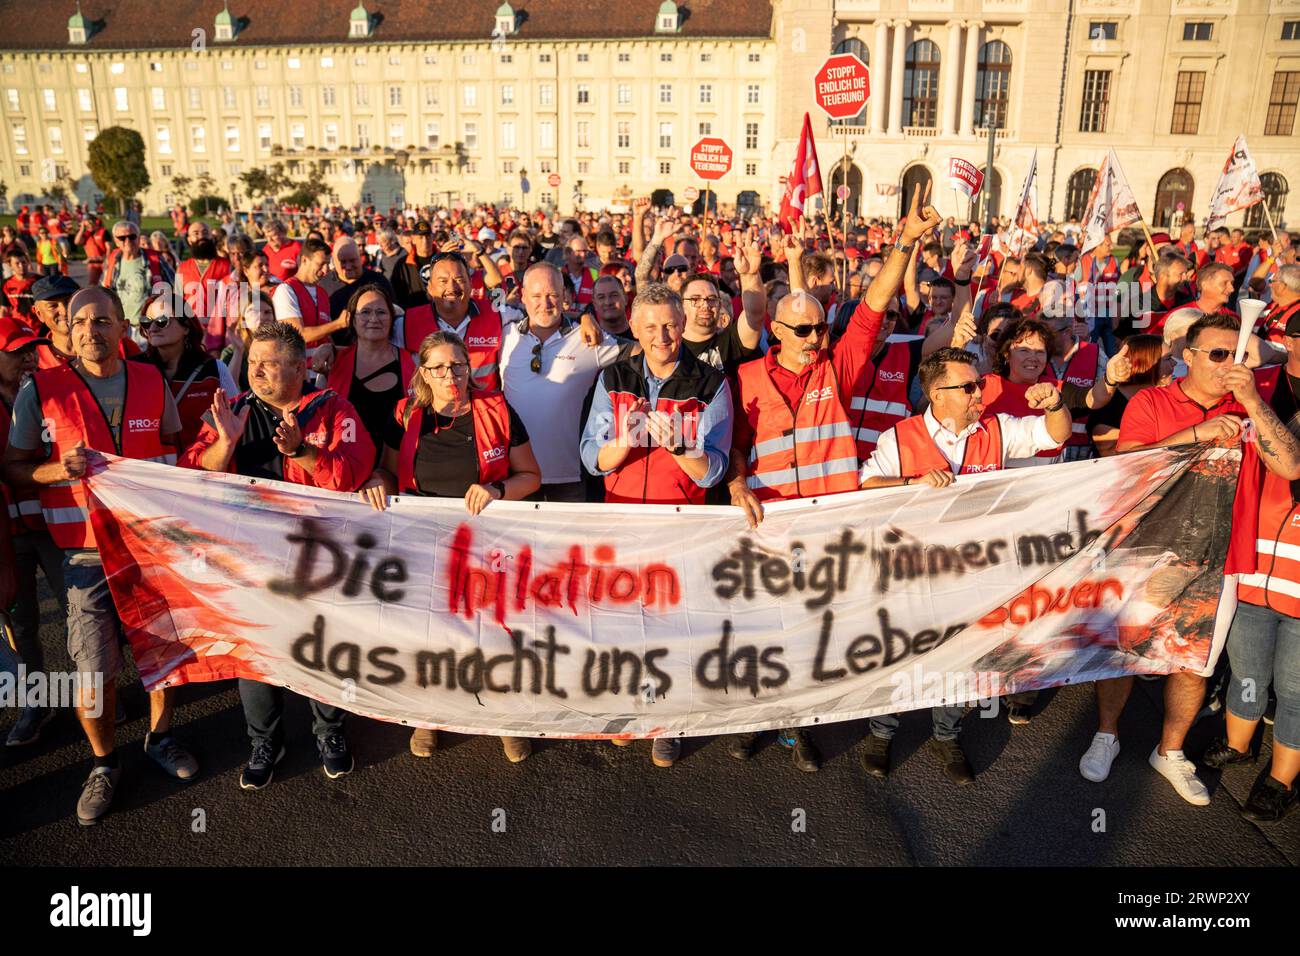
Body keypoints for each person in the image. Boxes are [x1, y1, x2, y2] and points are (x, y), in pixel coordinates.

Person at [724, 189, 941, 772]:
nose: (816, 340)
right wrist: (737, 484)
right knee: (768, 628)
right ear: (778, 330)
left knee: (820, 630)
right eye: (804, 332)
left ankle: (805, 722)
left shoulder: (837, 367)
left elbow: (872, 306)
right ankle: (764, 720)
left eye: (821, 330)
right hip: (770, 523)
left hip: (831, 525)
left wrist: (903, 244)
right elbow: (738, 448)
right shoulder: (745, 377)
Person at [2, 287, 196, 825]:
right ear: (68, 327)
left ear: (122, 327)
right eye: (81, 321)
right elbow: (15, 468)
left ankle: (161, 739)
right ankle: (104, 763)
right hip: (84, 557)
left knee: (163, 657)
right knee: (92, 672)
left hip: (149, 547)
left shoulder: (152, 379)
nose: (92, 330)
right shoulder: (40, 390)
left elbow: (173, 452)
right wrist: (52, 470)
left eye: (103, 320)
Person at [1083, 313, 1279, 804]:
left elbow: (1289, 463)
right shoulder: (1152, 400)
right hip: (1146, 549)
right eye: (1217, 354)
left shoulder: (1252, 406)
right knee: (1124, 651)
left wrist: (1253, 401)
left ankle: (1169, 750)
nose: (1228, 365)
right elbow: (1129, 466)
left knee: (1193, 660)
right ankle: (1107, 733)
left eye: (1237, 356)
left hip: (1219, 559)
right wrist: (1198, 434)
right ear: (1187, 356)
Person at [857, 347, 1072, 782]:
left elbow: (1055, 436)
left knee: (963, 654)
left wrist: (1057, 404)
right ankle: (883, 732)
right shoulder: (900, 435)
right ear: (937, 394)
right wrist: (911, 483)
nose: (980, 393)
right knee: (900, 653)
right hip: (910, 571)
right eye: (970, 387)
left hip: (974, 572)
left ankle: (946, 733)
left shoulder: (996, 428)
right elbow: (867, 485)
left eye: (979, 384)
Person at [180, 321, 375, 789]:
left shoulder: (333, 408)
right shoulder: (230, 412)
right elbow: (191, 476)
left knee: (322, 648)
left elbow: (355, 473)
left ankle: (330, 731)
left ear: (301, 367)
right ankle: (264, 741)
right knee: (256, 653)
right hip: (251, 561)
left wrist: (303, 452)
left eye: (271, 364)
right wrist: (223, 445)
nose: (259, 373)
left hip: (320, 560)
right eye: (253, 363)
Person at [359, 330, 541, 763]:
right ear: (423, 372)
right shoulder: (405, 414)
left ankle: (502, 718)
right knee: (432, 631)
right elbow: (386, 471)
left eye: (457, 365)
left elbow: (531, 476)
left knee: (491, 632)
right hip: (425, 543)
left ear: (468, 368)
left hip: (488, 543)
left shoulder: (496, 410)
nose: (450, 375)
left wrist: (497, 489)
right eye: (439, 367)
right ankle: (430, 714)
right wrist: (375, 482)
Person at [581, 282, 732, 768]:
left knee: (673, 630)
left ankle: (669, 721)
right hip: (622, 522)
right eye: (651, 328)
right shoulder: (612, 376)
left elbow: (716, 468)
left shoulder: (711, 382)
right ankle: (628, 709)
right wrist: (621, 446)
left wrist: (684, 451)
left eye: (670, 324)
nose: (663, 335)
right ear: (634, 328)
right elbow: (590, 457)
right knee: (623, 623)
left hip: (680, 527)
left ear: (683, 323)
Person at [1208, 307, 1300, 821]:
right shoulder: (1261, 380)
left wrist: (1251, 402)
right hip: (1255, 559)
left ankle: (1281, 780)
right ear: (1289, 339)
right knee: (1246, 668)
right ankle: (1239, 746)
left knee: (1295, 687)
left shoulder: (1255, 392)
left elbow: (1291, 462)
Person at [0, 315, 63, 746]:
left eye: (30, 349)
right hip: (6, 537)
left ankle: (98, 696)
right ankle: (38, 703)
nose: (28, 356)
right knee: (21, 626)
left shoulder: (47, 389)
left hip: (57, 525)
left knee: (82, 618)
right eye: (17, 351)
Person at [132, 293, 239, 450]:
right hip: (150, 468)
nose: (153, 328)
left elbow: (234, 417)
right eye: (146, 322)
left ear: (186, 327)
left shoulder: (213, 368)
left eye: (162, 321)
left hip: (201, 466)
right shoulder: (133, 368)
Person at [325, 283, 414, 462]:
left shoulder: (412, 363)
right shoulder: (333, 361)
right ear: (352, 319)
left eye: (381, 312)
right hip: (345, 469)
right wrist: (328, 348)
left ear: (391, 318)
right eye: (365, 312)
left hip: (395, 470)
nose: (374, 318)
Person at [1086, 335, 1172, 456]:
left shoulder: (1163, 396)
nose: (1174, 363)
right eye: (1168, 359)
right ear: (1147, 363)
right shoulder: (1109, 404)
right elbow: (1110, 451)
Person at [272, 237, 348, 351]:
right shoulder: (286, 290)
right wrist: (339, 323)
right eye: (321, 264)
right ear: (304, 260)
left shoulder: (322, 292)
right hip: (299, 366)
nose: (326, 269)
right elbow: (298, 335)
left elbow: (326, 335)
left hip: (323, 365)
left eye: (328, 264)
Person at [100, 220, 174, 329]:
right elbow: (104, 292)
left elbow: (175, 286)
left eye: (132, 236)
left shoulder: (155, 259)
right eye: (122, 238)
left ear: (139, 238)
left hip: (150, 326)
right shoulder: (113, 260)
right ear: (116, 241)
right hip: (121, 327)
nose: (128, 241)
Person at [175, 221, 233, 349]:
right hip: (192, 332)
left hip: (219, 332)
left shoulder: (227, 265)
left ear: (211, 237)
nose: (201, 236)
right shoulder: (182, 268)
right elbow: (178, 303)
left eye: (205, 233)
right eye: (196, 233)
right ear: (189, 240)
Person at [318, 237, 395, 330]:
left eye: (352, 260)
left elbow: (394, 314)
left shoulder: (378, 281)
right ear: (334, 261)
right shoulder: (323, 285)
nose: (348, 266)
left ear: (360, 257)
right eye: (343, 262)